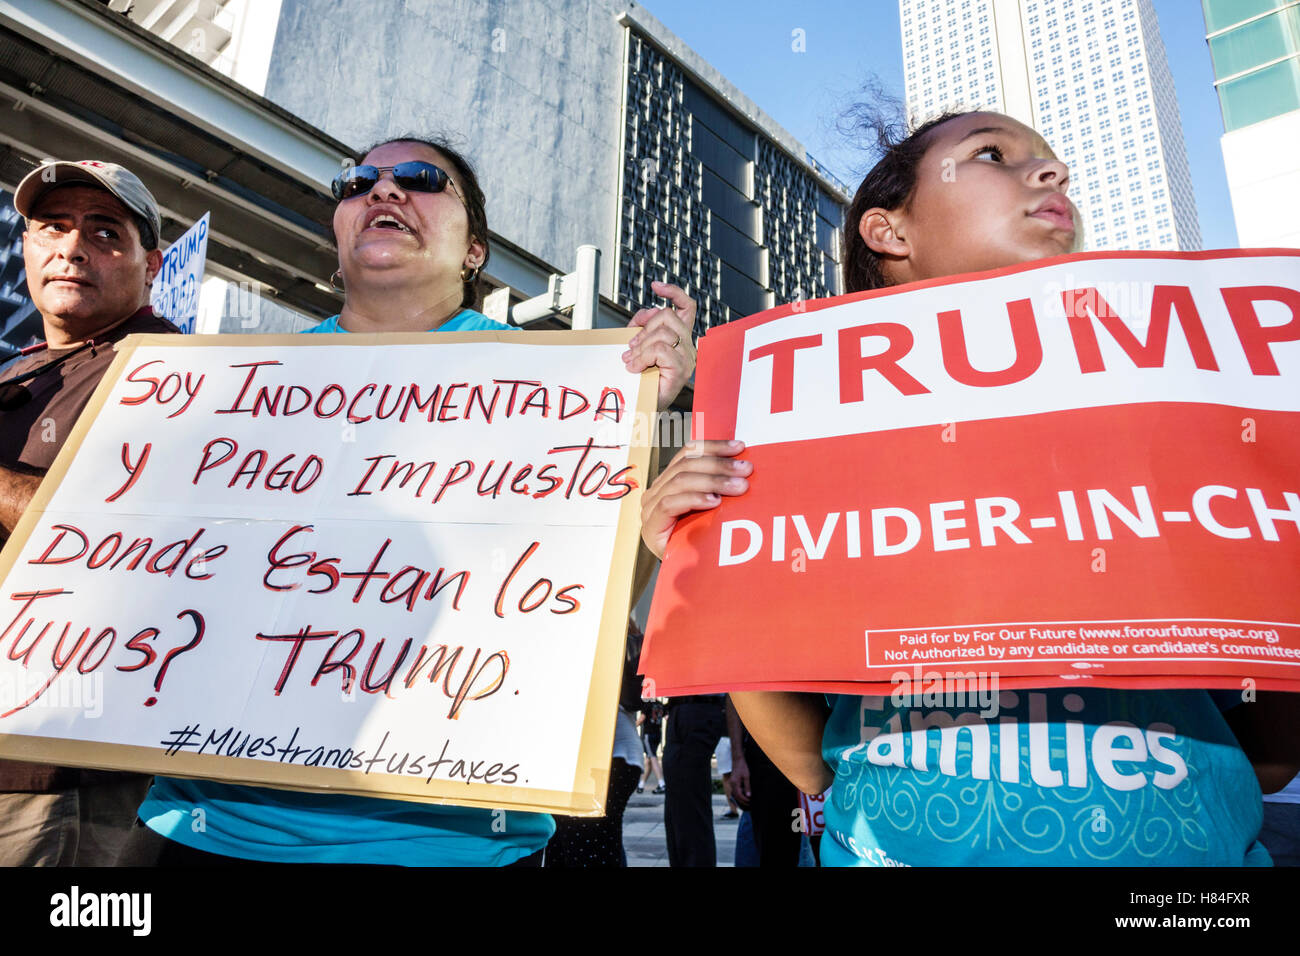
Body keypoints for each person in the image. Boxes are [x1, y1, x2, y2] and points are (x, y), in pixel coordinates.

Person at [640, 110, 1300, 866]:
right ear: (889, 233)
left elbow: (1271, 759)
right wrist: (708, 573)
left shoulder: (1191, 423)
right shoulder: (805, 446)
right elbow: (810, 767)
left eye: (1052, 161)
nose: (1053, 174)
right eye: (994, 156)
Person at [127, 135, 697, 866]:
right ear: (337, 232)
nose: (383, 191)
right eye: (357, 182)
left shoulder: (571, 388)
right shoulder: (240, 394)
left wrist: (644, 414)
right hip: (211, 833)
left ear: (475, 251)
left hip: (446, 844)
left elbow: (595, 605)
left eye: (422, 179)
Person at [0, 159, 180, 865]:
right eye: (52, 227)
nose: (71, 247)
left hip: (58, 771)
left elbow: (115, 540)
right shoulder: (20, 369)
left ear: (152, 263)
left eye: (104, 232)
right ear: (25, 249)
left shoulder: (170, 374)